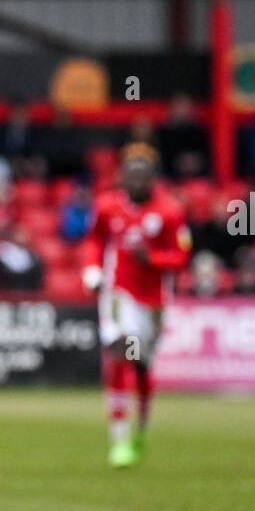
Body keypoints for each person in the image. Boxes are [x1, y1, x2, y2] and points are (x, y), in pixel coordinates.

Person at [80, 143, 191, 469]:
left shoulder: (170, 211)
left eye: (143, 177)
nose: (137, 182)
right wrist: (92, 270)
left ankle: (140, 430)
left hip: (153, 299)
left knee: (142, 365)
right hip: (117, 292)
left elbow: (181, 256)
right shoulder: (107, 206)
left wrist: (153, 258)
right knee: (118, 350)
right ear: (122, 178)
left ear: (153, 179)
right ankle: (118, 439)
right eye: (131, 176)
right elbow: (94, 240)